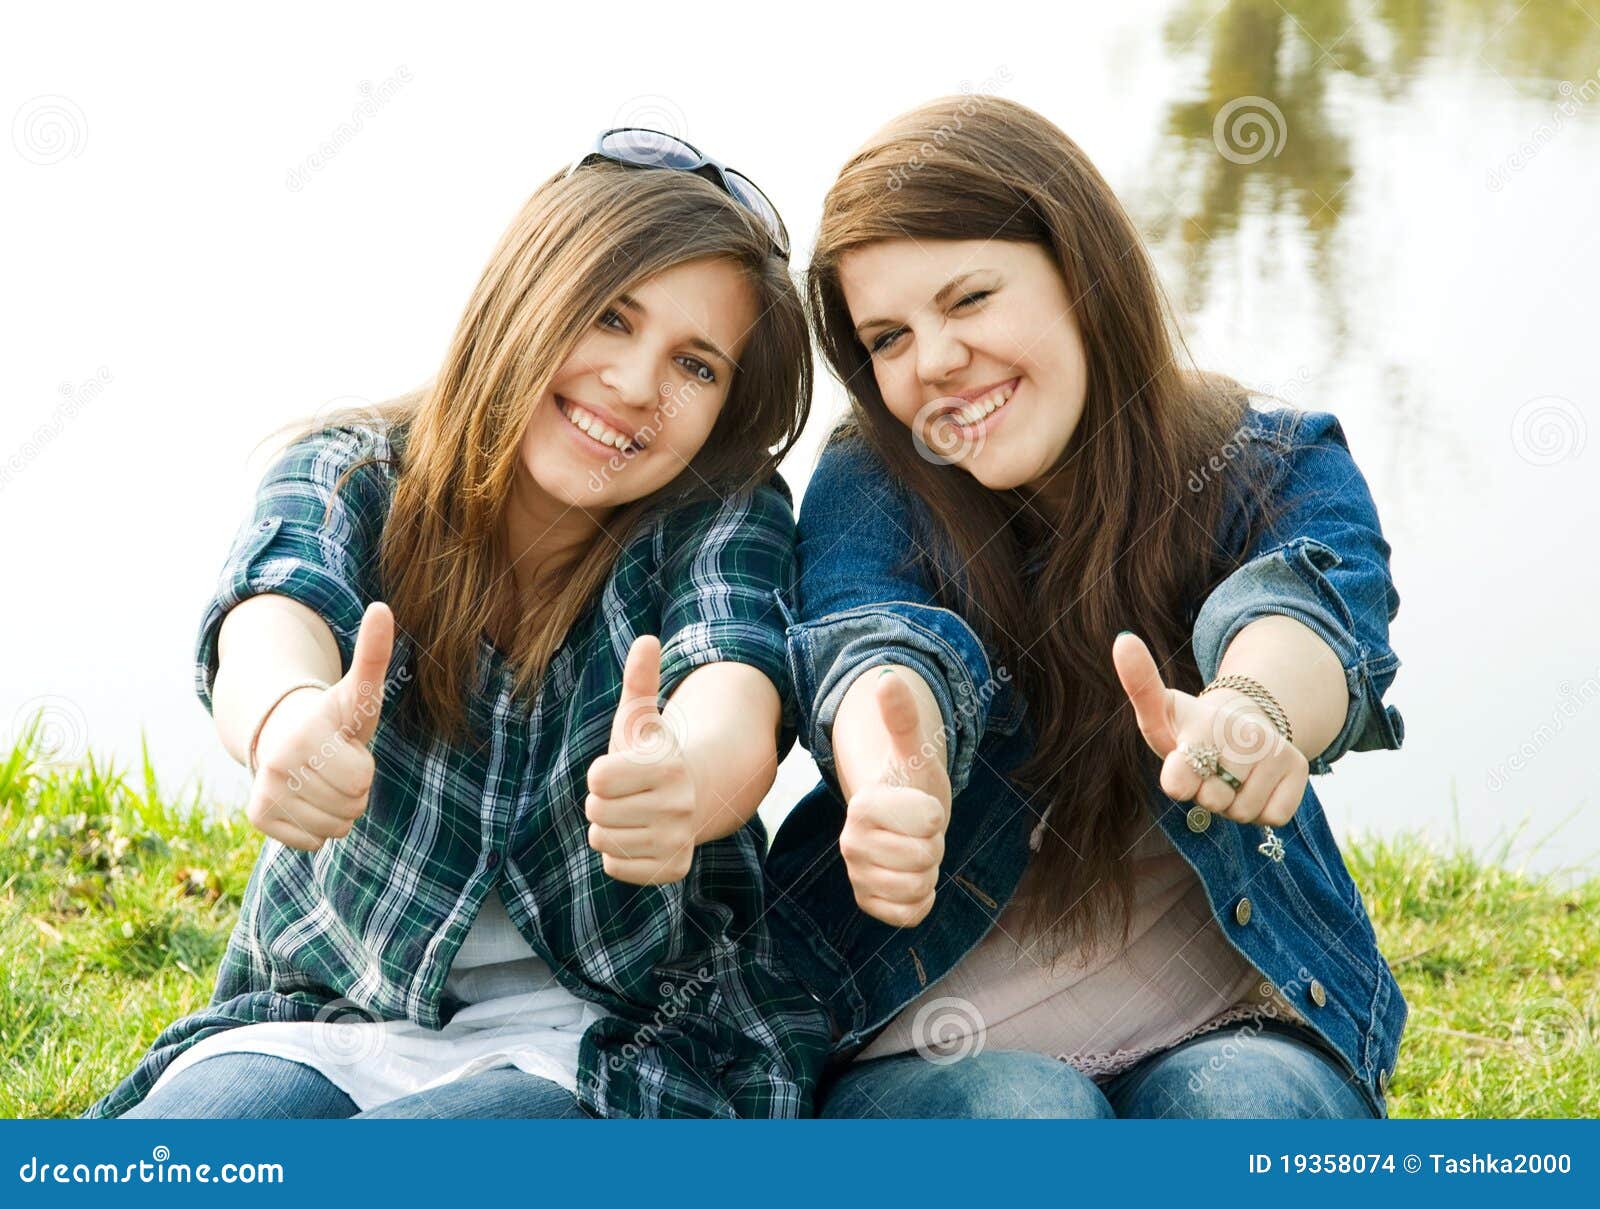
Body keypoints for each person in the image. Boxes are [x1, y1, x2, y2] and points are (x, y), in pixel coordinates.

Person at [81, 129, 829, 1119]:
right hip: (333, 1013)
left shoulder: (721, 516)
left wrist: (684, 783)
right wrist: (284, 719)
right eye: (611, 316)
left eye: (695, 365)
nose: (636, 385)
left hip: (610, 1041)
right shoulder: (352, 470)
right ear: (526, 296)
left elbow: (733, 690)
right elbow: (273, 610)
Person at [766, 96, 1407, 1118]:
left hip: (1226, 1018)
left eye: (970, 299)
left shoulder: (1271, 460)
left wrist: (1251, 712)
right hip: (923, 1041)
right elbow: (877, 648)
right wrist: (896, 783)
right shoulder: (872, 482)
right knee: (1029, 1118)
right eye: (889, 337)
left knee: (1242, 1111)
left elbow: (1309, 611)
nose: (933, 362)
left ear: (1082, 271)